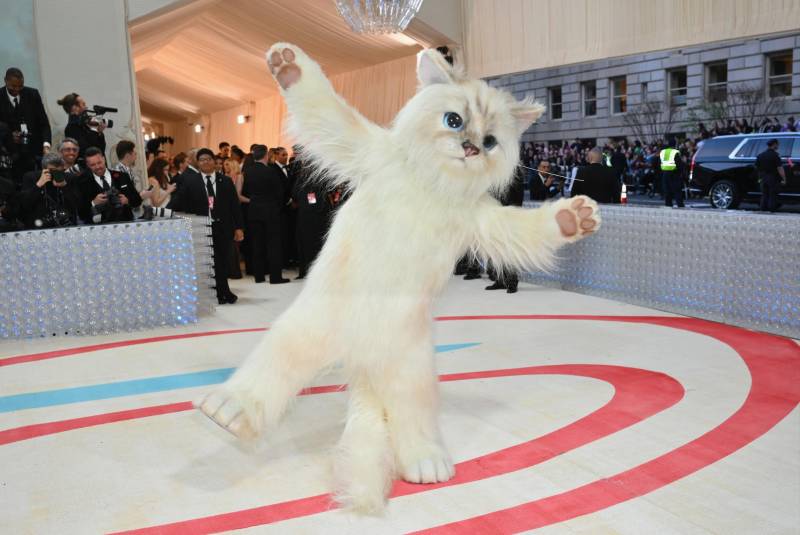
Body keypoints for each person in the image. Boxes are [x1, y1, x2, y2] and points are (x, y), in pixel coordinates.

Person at [170, 147, 244, 304]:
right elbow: (179, 200)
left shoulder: (225, 181)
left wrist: (238, 228)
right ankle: (214, 294)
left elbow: (234, 206)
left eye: (208, 159)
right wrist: (162, 211)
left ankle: (224, 292)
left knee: (223, 261)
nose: (205, 162)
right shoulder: (191, 181)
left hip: (223, 227)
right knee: (208, 262)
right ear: (198, 162)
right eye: (202, 160)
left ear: (214, 162)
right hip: (202, 228)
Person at [242, 144, 289, 284]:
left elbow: (245, 191)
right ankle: (275, 277)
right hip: (270, 210)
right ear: (265, 155)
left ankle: (259, 276)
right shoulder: (270, 171)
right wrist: (278, 206)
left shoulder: (247, 171)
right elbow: (279, 192)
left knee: (257, 244)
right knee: (273, 244)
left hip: (254, 210)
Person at [0, 68, 52, 185]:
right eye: (13, 86)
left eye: (20, 86)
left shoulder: (33, 94)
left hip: (33, 154)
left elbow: (44, 123)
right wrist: (9, 136)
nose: (17, 90)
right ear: (5, 81)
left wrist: (46, 145)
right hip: (9, 159)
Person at [485, 164, 525, 293]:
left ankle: (512, 281)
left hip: (508, 215)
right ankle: (500, 280)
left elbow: (517, 196)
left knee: (509, 250)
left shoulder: (515, 171)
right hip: (495, 214)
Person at [291, 152, 332, 279]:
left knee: (305, 243)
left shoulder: (302, 177)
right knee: (316, 243)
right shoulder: (321, 177)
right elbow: (328, 190)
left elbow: (295, 193)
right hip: (317, 215)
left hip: (305, 215)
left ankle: (305, 270)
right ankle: (316, 271)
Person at [20, 153, 86, 228]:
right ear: (43, 169)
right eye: (52, 171)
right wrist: (38, 185)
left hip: (66, 225)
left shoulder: (70, 178)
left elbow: (79, 205)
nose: (55, 174)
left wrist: (65, 187)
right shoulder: (31, 177)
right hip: (38, 226)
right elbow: (24, 205)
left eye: (59, 171)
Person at [79, 146, 142, 223]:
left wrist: (127, 201)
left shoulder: (122, 176)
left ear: (104, 159)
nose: (98, 167)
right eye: (93, 165)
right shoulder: (83, 183)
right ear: (88, 165)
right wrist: (93, 203)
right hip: (99, 229)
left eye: (99, 162)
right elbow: (81, 213)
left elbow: (138, 200)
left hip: (125, 225)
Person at [59, 93, 105, 162]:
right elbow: (87, 151)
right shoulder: (71, 129)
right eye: (83, 104)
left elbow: (101, 149)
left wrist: (99, 133)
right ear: (74, 108)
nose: (86, 107)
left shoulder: (86, 124)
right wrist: (94, 130)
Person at [755, 138, 786, 212]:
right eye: (777, 144)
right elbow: (780, 168)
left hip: (762, 177)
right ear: (774, 144)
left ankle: (763, 209)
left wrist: (759, 178)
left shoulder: (760, 155)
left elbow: (757, 167)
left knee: (764, 194)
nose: (778, 146)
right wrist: (784, 178)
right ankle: (771, 209)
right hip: (772, 177)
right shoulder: (775, 155)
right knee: (772, 194)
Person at [659, 143, 685, 208]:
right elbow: (679, 163)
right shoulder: (675, 152)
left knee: (667, 189)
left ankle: (668, 204)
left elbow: (660, 162)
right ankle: (680, 205)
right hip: (674, 172)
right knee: (677, 190)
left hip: (665, 172)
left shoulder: (663, 152)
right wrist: (681, 172)